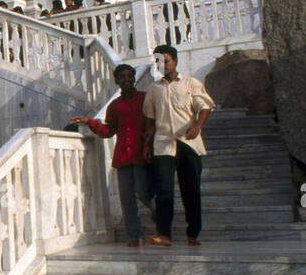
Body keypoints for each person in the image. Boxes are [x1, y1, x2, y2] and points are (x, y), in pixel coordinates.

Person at [69, 64, 154, 247]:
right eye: (122, 77)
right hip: (123, 157)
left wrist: (148, 145)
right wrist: (89, 121)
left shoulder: (144, 99)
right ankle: (135, 236)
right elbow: (108, 131)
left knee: (144, 193)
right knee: (126, 198)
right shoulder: (115, 106)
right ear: (117, 81)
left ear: (134, 78)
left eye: (129, 76)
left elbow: (152, 124)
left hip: (142, 155)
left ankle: (160, 215)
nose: (126, 79)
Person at [141, 44, 215, 247]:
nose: (163, 65)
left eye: (166, 60)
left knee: (190, 189)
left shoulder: (191, 84)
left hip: (188, 143)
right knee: (164, 190)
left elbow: (205, 106)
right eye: (158, 62)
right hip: (163, 144)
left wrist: (198, 126)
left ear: (175, 61)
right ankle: (164, 233)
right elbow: (149, 118)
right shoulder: (154, 89)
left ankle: (193, 232)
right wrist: (147, 145)